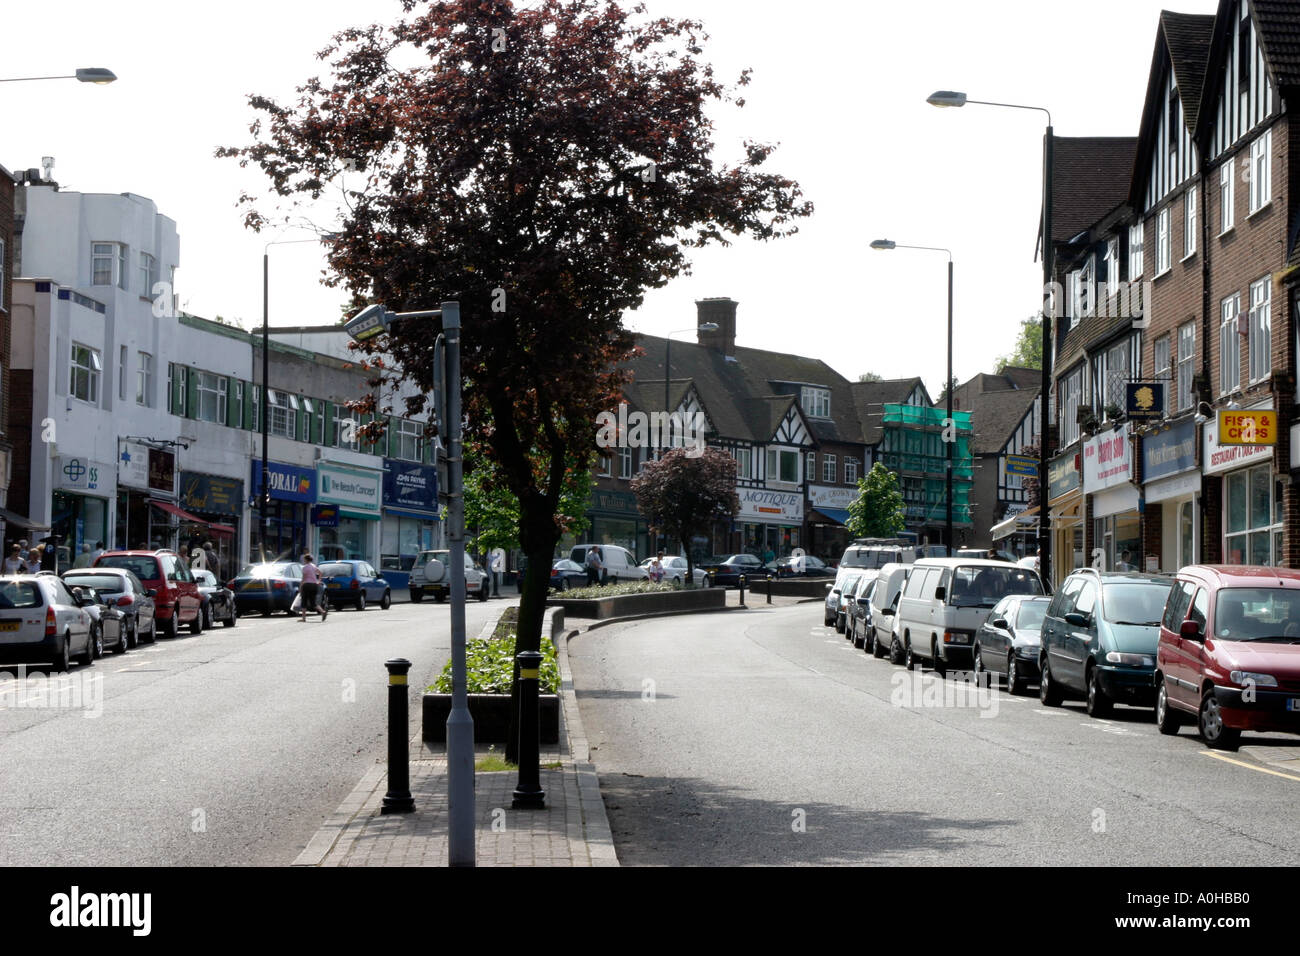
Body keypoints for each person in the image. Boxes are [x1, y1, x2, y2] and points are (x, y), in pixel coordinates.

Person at [298, 553, 327, 622]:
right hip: (314, 585)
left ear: (306, 559)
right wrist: (319, 581)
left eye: (304, 559)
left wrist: (300, 586)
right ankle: (323, 612)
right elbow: (320, 573)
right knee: (313, 602)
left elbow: (304, 578)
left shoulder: (304, 567)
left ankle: (303, 618)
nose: (303, 560)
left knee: (304, 601)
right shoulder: (314, 566)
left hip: (306, 585)